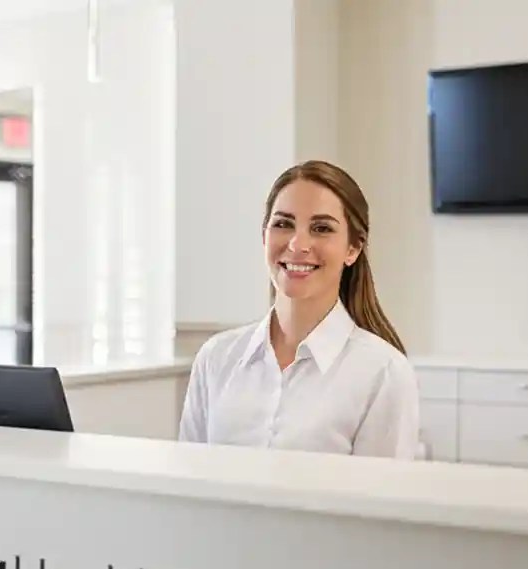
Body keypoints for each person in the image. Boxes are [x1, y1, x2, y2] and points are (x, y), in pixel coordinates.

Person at [178, 160, 420, 459]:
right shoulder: (215, 358)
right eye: (283, 224)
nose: (297, 244)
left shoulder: (384, 373)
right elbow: (190, 476)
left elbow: (382, 489)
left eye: (321, 228)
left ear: (353, 248)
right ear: (264, 236)